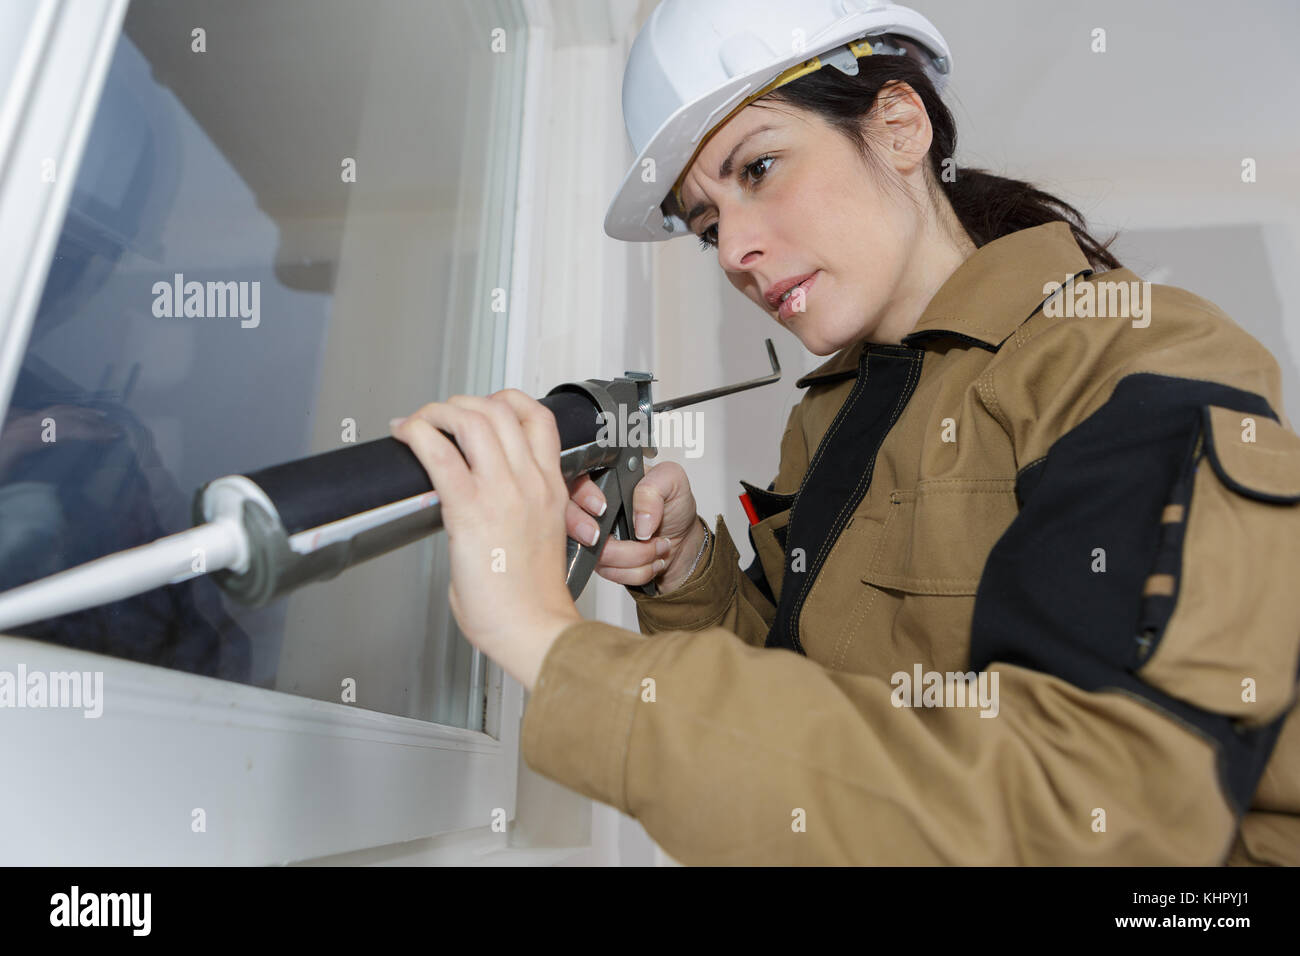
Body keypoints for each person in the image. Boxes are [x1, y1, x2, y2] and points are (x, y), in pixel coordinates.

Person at [389, 0, 1300, 864]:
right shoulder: (833, 411)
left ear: (900, 126)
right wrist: (688, 575)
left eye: (758, 169)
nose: (737, 251)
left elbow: (1103, 821)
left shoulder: (1134, 356)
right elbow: (826, 709)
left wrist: (548, 644)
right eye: (708, 226)